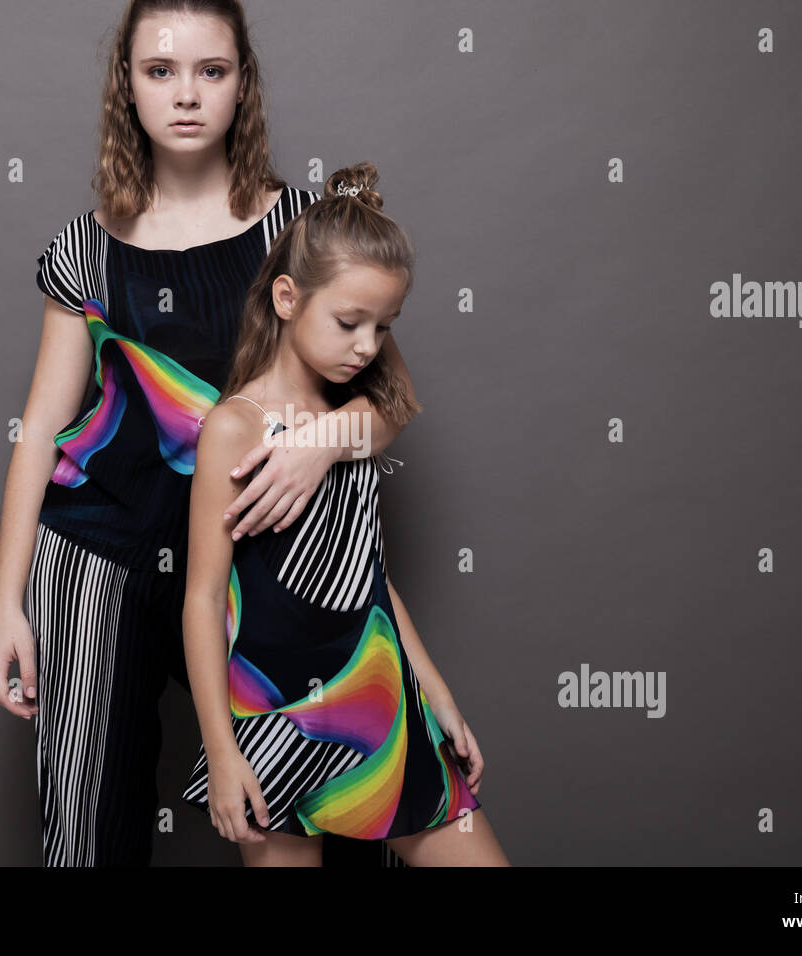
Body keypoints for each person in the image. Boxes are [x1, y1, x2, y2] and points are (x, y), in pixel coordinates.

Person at [0, 0, 419, 866]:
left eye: (210, 72)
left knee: (326, 812)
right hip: (100, 562)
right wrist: (5, 604)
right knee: (87, 831)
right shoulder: (85, 248)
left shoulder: (299, 226)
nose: (186, 95)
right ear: (129, 87)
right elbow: (39, 428)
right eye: (161, 71)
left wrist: (319, 443)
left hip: (258, 561)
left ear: (242, 84)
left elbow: (392, 403)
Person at [180, 163, 510, 866]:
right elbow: (204, 598)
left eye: (384, 326)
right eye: (349, 322)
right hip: (274, 722)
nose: (368, 346)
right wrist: (221, 750)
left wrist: (437, 694)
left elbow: (365, 571)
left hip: (382, 701)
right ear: (288, 297)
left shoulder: (355, 422)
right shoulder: (234, 429)